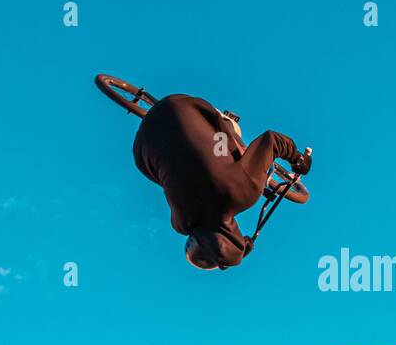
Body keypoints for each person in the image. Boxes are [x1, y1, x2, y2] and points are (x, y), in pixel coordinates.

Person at [132, 94, 311, 270]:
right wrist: (238, 248)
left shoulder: (242, 193)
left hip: (186, 106)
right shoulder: (180, 222)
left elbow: (272, 140)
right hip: (145, 140)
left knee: (235, 147)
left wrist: (297, 159)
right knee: (169, 177)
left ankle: (228, 121)